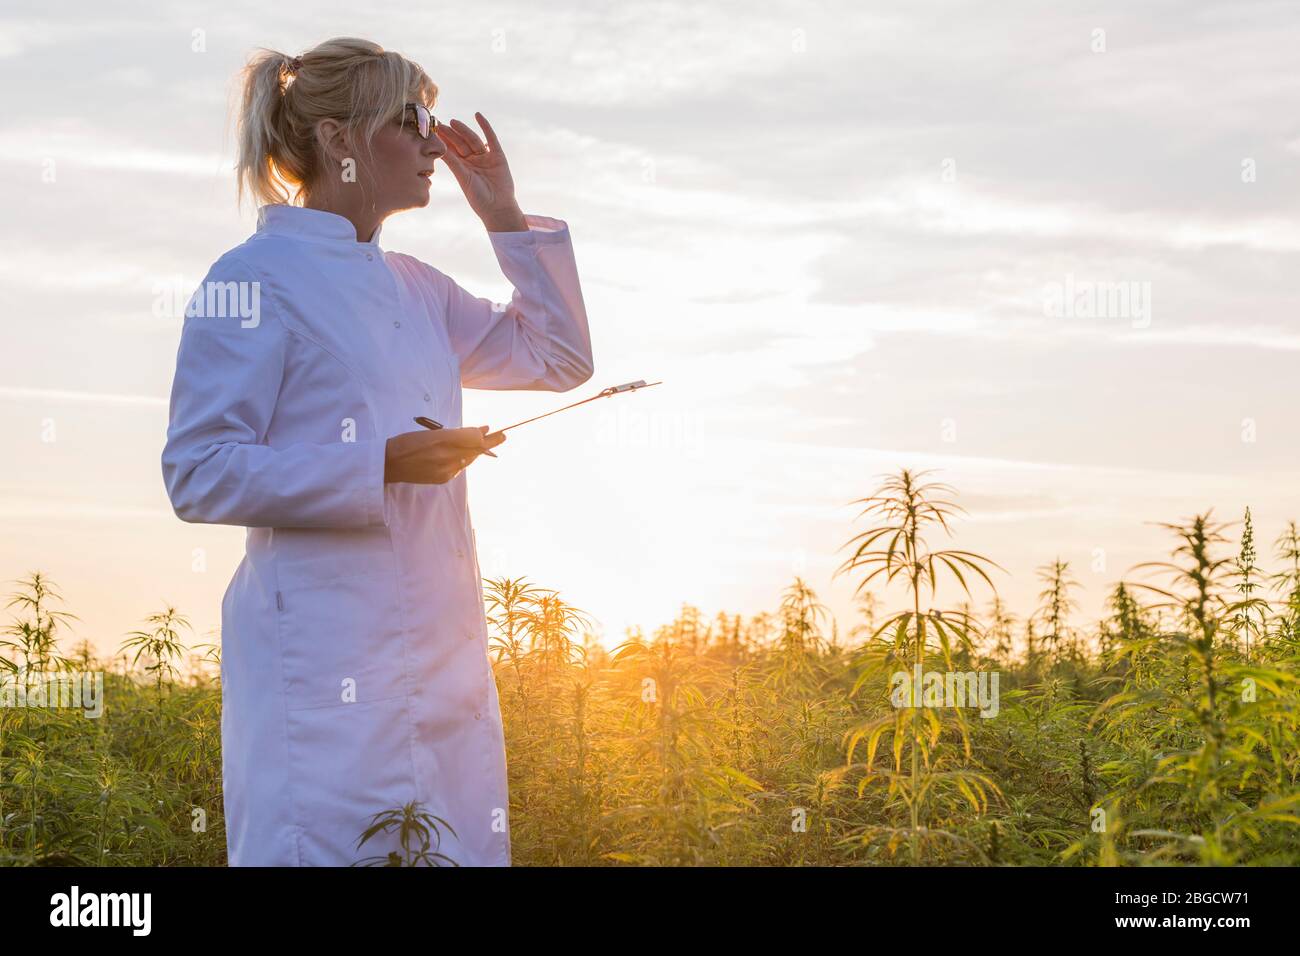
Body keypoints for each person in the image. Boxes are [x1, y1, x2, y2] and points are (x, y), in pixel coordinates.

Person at [160, 37, 594, 866]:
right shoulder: (251, 279)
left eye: (429, 119)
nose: (435, 142)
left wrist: (503, 214)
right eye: (410, 121)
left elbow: (559, 359)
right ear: (337, 140)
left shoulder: (415, 286)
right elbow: (198, 470)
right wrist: (378, 465)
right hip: (322, 669)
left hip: (443, 657)